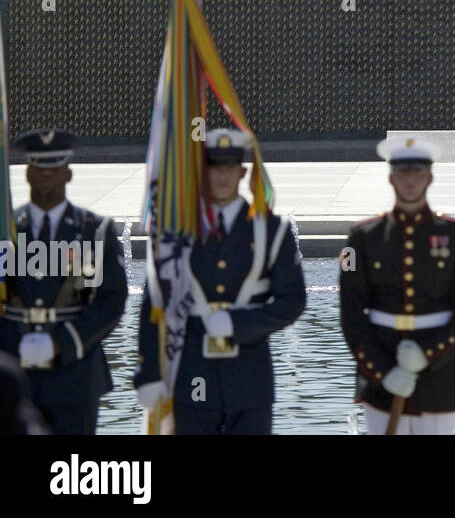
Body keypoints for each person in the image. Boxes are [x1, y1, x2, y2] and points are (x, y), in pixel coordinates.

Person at [134, 129, 306, 435]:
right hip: (193, 375)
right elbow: (154, 305)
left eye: (229, 167)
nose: (222, 176)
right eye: (214, 166)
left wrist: (238, 323)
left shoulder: (272, 230)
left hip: (249, 377)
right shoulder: (177, 233)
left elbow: (292, 302)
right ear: (202, 171)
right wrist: (149, 374)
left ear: (242, 171)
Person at [340, 136, 455, 435]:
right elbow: (351, 315)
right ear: (391, 177)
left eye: (417, 172)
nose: (410, 180)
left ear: (429, 177)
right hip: (379, 372)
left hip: (438, 377)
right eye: (402, 172)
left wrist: (428, 354)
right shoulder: (361, 238)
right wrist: (383, 371)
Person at [0, 129, 126, 434]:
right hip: (16, 380)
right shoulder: (7, 231)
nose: (46, 176)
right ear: (28, 173)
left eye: (54, 168)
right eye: (39, 168)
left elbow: (111, 301)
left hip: (76, 377)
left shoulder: (94, 232)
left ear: (68, 174)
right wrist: (14, 346)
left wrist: (61, 344)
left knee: (72, 476)